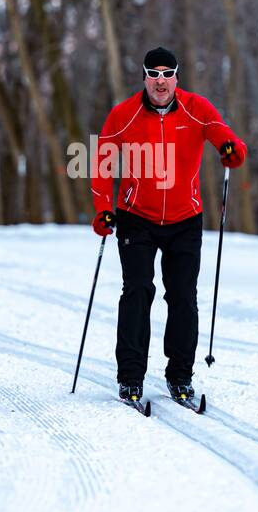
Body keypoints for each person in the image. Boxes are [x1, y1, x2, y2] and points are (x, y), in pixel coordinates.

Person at [90, 47, 246, 407]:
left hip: (184, 220)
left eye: (167, 74)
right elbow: (101, 166)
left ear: (177, 78)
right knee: (138, 290)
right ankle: (130, 378)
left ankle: (180, 378)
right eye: (153, 74)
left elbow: (227, 138)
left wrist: (232, 150)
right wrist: (102, 210)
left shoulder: (197, 108)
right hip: (136, 216)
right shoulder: (123, 115)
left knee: (182, 297)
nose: (161, 81)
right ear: (144, 78)